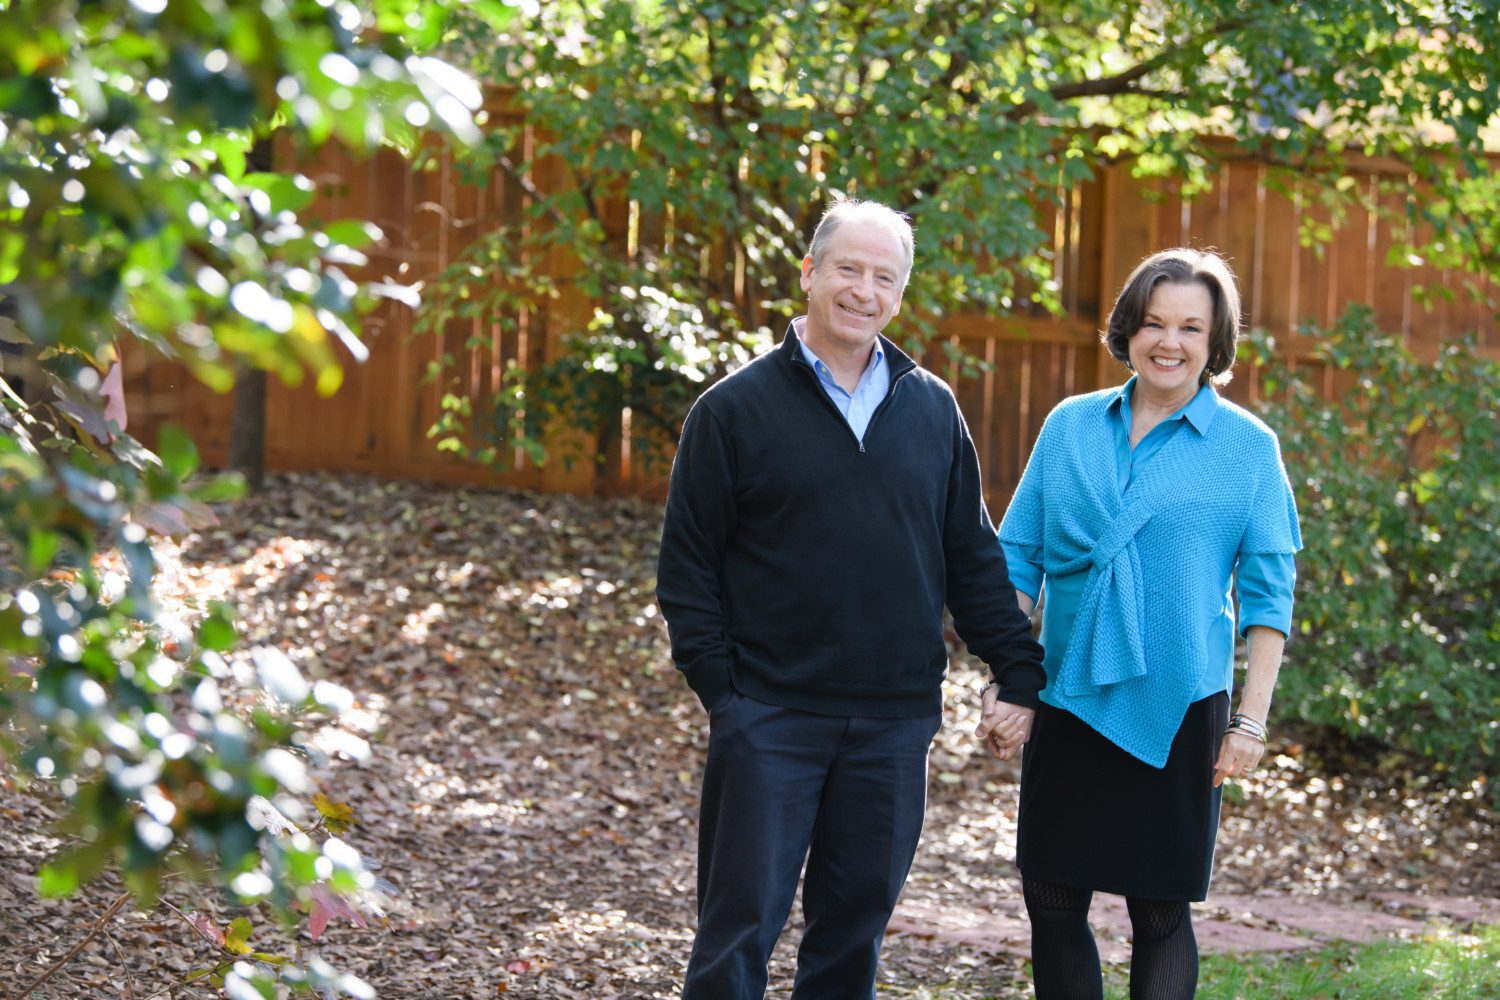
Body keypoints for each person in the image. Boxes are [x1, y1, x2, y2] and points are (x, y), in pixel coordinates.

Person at [657, 197, 1045, 999]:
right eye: (848, 269)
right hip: (769, 714)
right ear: (809, 273)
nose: (863, 291)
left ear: (900, 295)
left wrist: (1018, 670)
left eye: (884, 277)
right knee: (738, 933)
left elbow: (970, 557)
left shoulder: (931, 408)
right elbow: (687, 569)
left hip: (894, 724)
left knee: (853, 936)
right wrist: (725, 695)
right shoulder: (732, 411)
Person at [978, 247, 1301, 999]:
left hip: (1180, 707)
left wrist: (1249, 726)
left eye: (1192, 327)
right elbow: (1018, 559)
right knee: (1052, 901)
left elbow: (1268, 599)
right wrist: (1010, 684)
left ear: (1214, 342)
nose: (1170, 342)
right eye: (1154, 322)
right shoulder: (1070, 427)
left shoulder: (1248, 449)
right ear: (1128, 329)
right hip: (1067, 697)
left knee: (1159, 911)